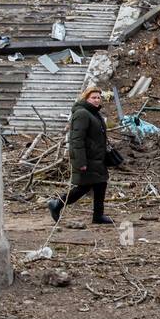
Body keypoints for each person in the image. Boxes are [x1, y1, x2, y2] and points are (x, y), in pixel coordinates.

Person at [49, 85, 114, 225]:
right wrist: (80, 162)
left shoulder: (94, 113)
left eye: (98, 97)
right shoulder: (82, 114)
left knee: (101, 185)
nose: (97, 100)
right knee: (83, 187)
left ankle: (98, 216)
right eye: (93, 98)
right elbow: (76, 140)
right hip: (87, 158)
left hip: (97, 158)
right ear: (86, 98)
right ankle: (57, 204)